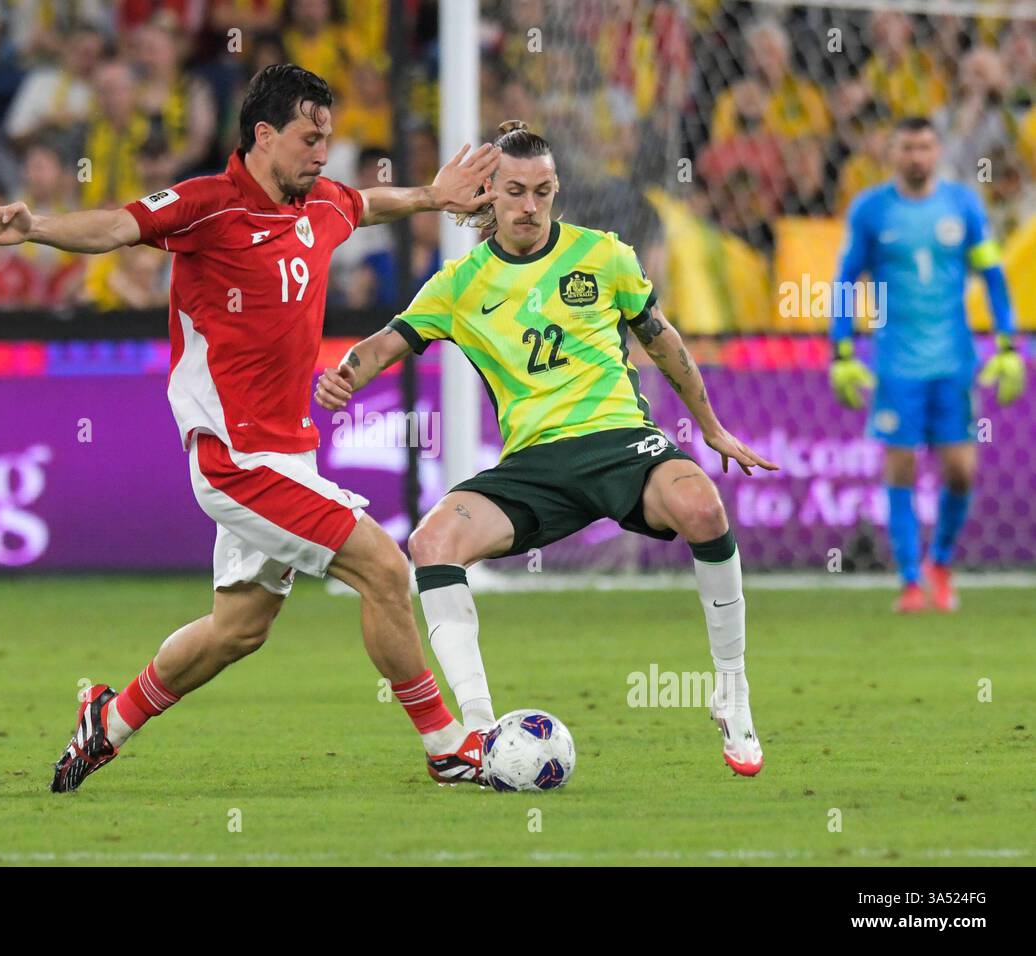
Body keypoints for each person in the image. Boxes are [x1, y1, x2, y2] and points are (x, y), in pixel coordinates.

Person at [0, 64, 502, 792]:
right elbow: (117, 226)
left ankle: (107, 720)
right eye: (310, 138)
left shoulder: (321, 204)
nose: (322, 152)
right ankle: (444, 745)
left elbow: (368, 204)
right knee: (385, 569)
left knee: (238, 628)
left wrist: (433, 195)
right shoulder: (207, 206)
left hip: (289, 457)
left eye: (329, 138)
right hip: (233, 456)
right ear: (264, 135)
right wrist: (34, 227)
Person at [316, 121, 779, 779]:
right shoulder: (459, 284)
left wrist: (708, 425)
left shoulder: (605, 256)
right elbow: (383, 345)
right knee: (431, 544)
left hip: (622, 443)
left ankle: (732, 691)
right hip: (534, 465)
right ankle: (477, 730)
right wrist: (345, 375)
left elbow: (662, 339)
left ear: (555, 190)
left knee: (703, 506)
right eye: (514, 191)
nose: (529, 205)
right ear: (488, 196)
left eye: (542, 191)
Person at [829, 116, 1025, 612]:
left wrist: (1007, 344)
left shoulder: (962, 206)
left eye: (924, 147)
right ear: (892, 153)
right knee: (900, 465)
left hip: (954, 359)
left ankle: (940, 561)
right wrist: (842, 351)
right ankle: (911, 580)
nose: (916, 156)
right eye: (907, 147)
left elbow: (994, 277)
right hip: (895, 363)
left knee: (960, 470)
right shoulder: (871, 210)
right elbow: (847, 281)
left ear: (938, 151)